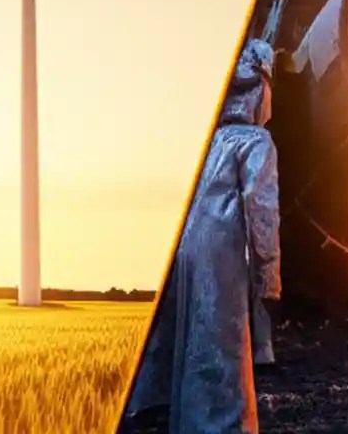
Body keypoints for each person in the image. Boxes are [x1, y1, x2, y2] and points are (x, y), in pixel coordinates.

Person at [124, 38, 281, 434]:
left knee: (187, 343)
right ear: (260, 90)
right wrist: (268, 275)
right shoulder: (255, 142)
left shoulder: (206, 142)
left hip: (186, 249)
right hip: (223, 252)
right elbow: (261, 212)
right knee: (222, 350)